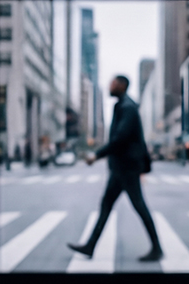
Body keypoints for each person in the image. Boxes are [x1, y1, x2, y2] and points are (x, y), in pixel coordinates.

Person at [68, 74, 164, 263]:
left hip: (127, 167)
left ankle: (157, 248)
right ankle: (90, 245)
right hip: (121, 167)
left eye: (113, 83)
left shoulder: (127, 107)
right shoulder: (122, 106)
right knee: (107, 206)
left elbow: (120, 138)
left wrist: (96, 155)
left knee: (138, 206)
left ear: (121, 85)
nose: (110, 86)